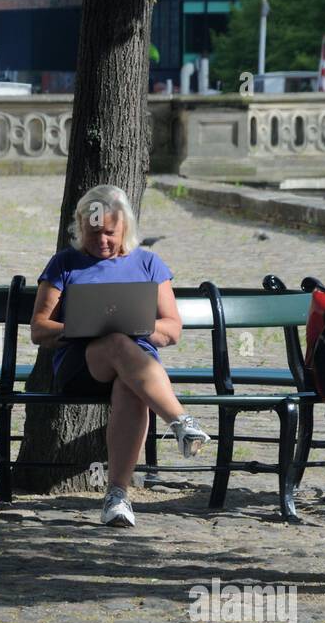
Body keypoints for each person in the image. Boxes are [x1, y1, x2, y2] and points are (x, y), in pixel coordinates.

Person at [30, 184, 210, 527]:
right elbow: (39, 329)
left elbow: (171, 329)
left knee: (130, 382)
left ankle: (117, 497)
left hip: (137, 369)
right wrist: (81, 326)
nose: (101, 241)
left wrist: (138, 327)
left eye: (109, 233)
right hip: (82, 365)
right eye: (93, 232)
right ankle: (181, 423)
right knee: (113, 342)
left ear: (124, 227)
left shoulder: (149, 263)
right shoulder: (64, 264)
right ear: (80, 227)